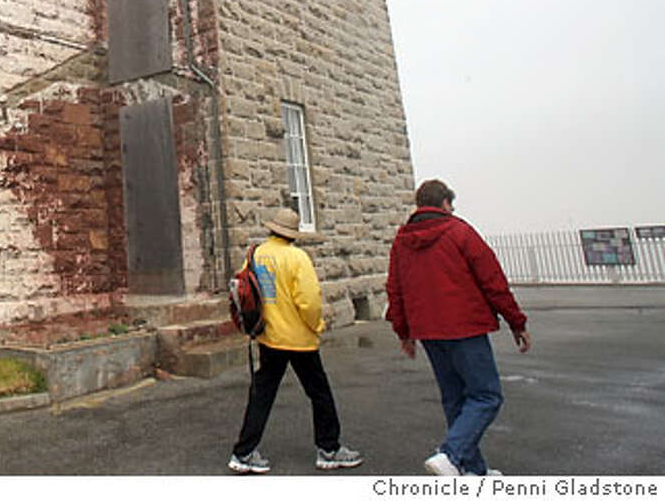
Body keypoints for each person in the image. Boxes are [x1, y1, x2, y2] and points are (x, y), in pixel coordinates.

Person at [385, 179, 532, 477]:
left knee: (455, 399)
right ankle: (450, 454)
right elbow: (493, 280)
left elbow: (395, 289)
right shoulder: (459, 232)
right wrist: (516, 322)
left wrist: (404, 332)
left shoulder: (402, 240)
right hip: (465, 327)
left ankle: (472, 469)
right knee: (486, 395)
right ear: (444, 204)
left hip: (427, 331)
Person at [228, 206, 363, 474]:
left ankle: (243, 452)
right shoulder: (297, 258)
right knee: (319, 393)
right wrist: (318, 326)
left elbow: (246, 290)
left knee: (262, 394)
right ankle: (329, 448)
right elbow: (309, 302)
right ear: (292, 233)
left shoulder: (255, 253)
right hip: (299, 338)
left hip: (268, 336)